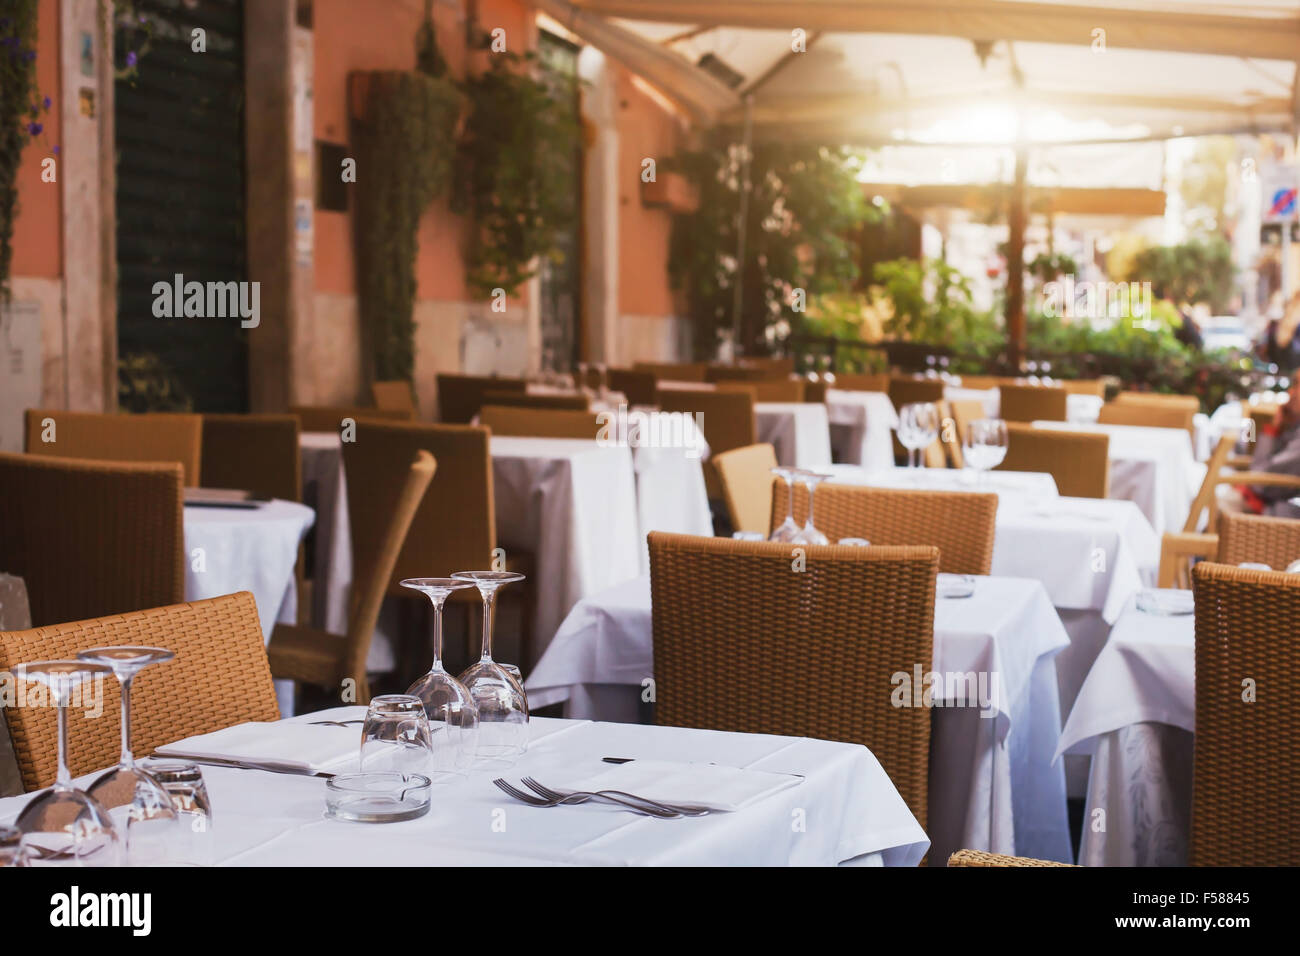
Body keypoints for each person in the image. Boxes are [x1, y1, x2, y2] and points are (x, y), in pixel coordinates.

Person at [1240, 376, 1300, 519]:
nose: (1290, 392)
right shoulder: (1295, 428)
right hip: (1272, 505)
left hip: (1278, 517)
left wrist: (1271, 430)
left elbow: (1260, 482)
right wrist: (1282, 428)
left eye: (1296, 385)